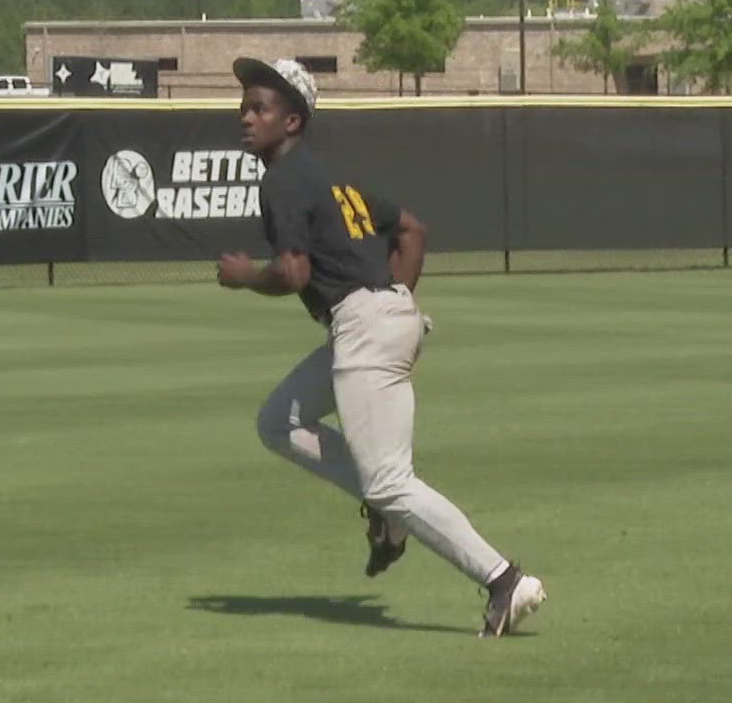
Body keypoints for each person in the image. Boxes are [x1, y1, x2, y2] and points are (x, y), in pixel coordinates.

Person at [215, 57, 545, 638]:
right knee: (280, 420)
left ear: (292, 121)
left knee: (390, 480)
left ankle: (502, 579)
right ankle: (389, 517)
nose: (246, 116)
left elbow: (292, 273)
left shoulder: (284, 180)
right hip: (381, 316)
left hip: (365, 324)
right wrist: (393, 302)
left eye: (259, 107)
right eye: (244, 106)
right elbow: (412, 228)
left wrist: (244, 276)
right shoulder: (329, 178)